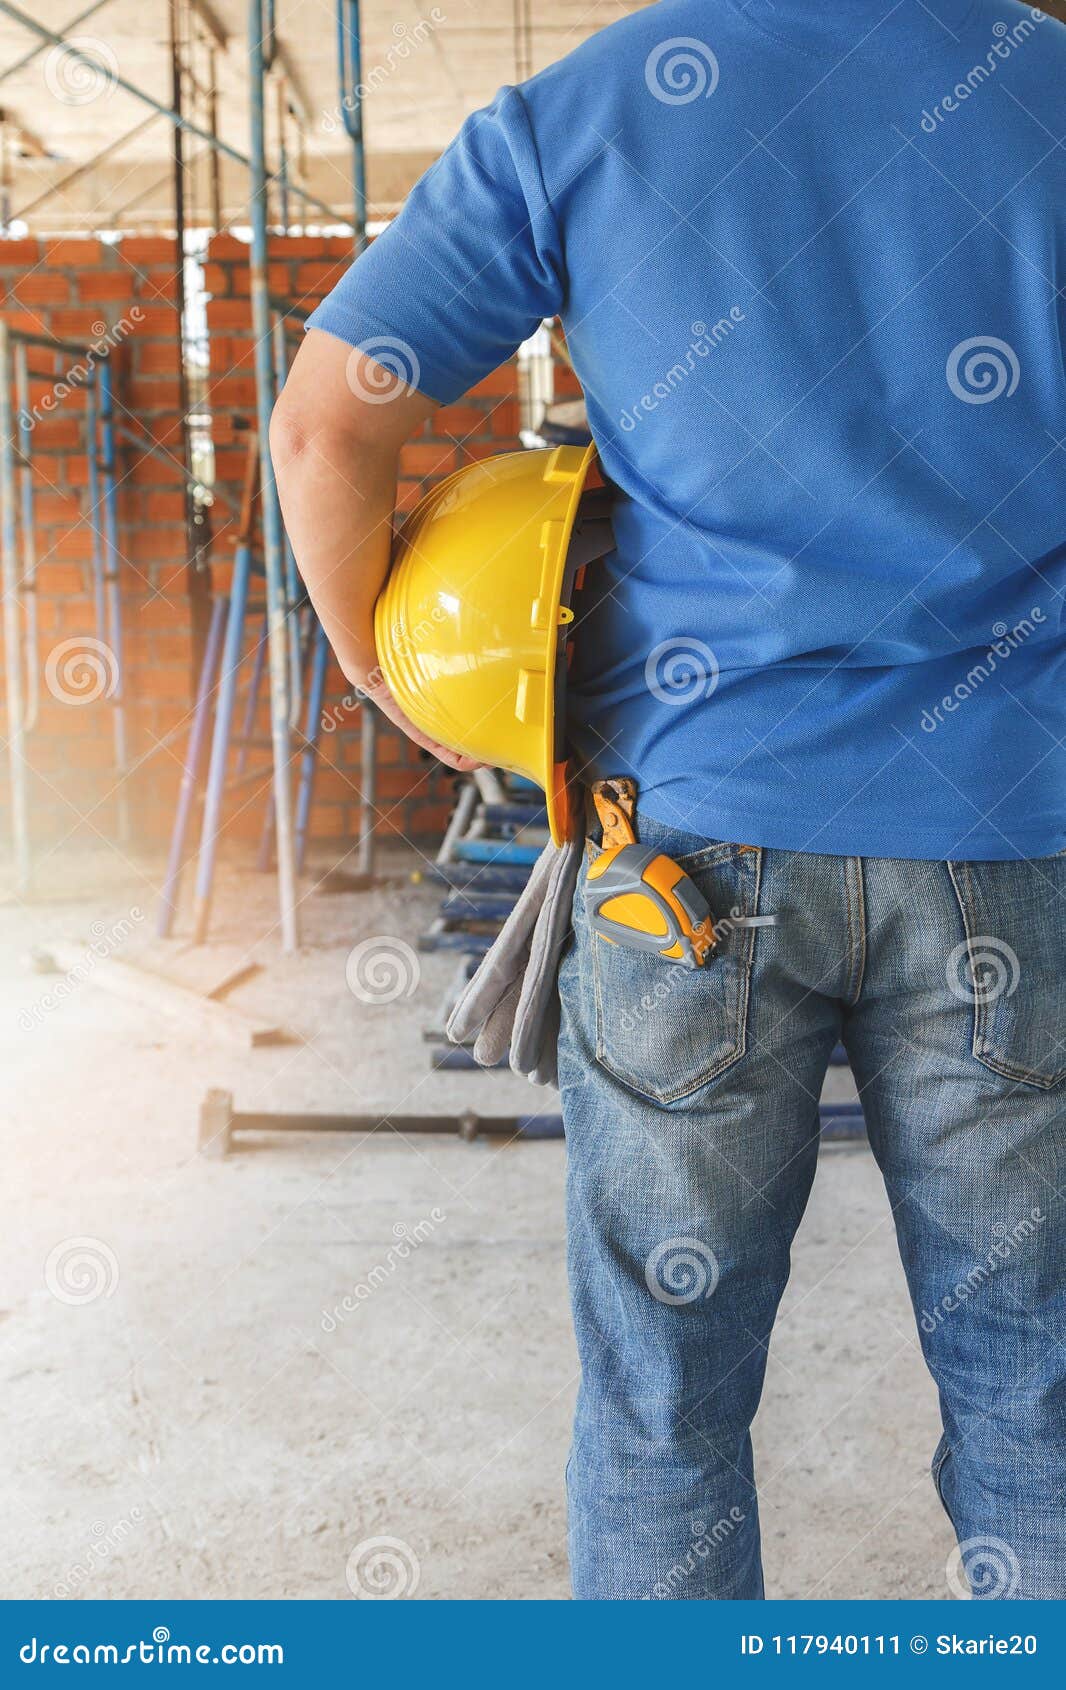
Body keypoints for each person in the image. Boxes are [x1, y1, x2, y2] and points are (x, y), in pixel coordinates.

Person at [271, 0, 1066, 1600]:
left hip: (686, 863)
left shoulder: (604, 101)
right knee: (1034, 1393)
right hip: (1012, 834)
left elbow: (320, 422)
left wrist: (390, 675)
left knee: (660, 1406)